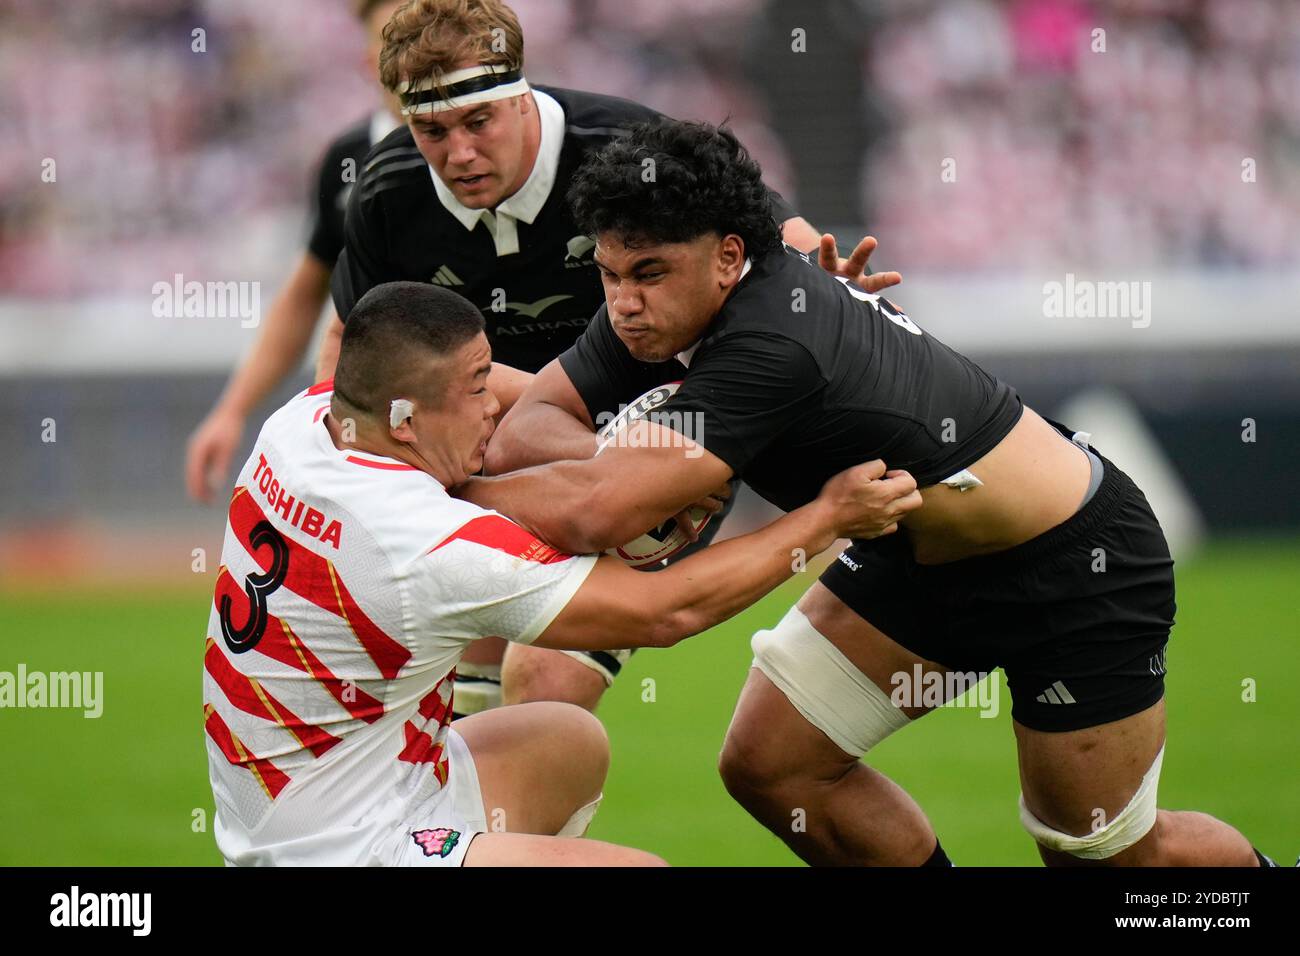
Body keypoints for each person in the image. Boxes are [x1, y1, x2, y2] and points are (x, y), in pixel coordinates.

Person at [465, 119, 1276, 867]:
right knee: (773, 767)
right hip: (915, 552)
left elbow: (598, 511)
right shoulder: (664, 309)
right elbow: (531, 419)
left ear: (728, 256)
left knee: (1103, 859)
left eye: (647, 274)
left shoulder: (772, 344)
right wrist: (633, 458)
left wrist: (455, 486)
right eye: (608, 275)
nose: (624, 305)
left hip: (1070, 565)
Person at [201, 280, 912, 867]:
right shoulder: (430, 549)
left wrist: (624, 454)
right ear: (406, 419)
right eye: (477, 388)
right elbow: (665, 612)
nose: (495, 408)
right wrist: (826, 519)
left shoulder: (302, 425)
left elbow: (425, 492)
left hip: (330, 794)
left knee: (566, 743)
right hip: (342, 851)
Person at [329, 0, 901, 711]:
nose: (459, 154)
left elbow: (774, 239)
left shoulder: (628, 149)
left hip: (666, 428)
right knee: (449, 694)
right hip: (494, 436)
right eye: (432, 130)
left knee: (544, 682)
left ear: (520, 92)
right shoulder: (387, 195)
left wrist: (827, 286)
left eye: (479, 122)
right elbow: (374, 360)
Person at [185, 0, 407, 504]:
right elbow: (305, 294)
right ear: (369, 61)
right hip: (375, 420)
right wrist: (232, 410)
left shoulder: (480, 153)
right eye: (396, 40)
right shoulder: (348, 161)